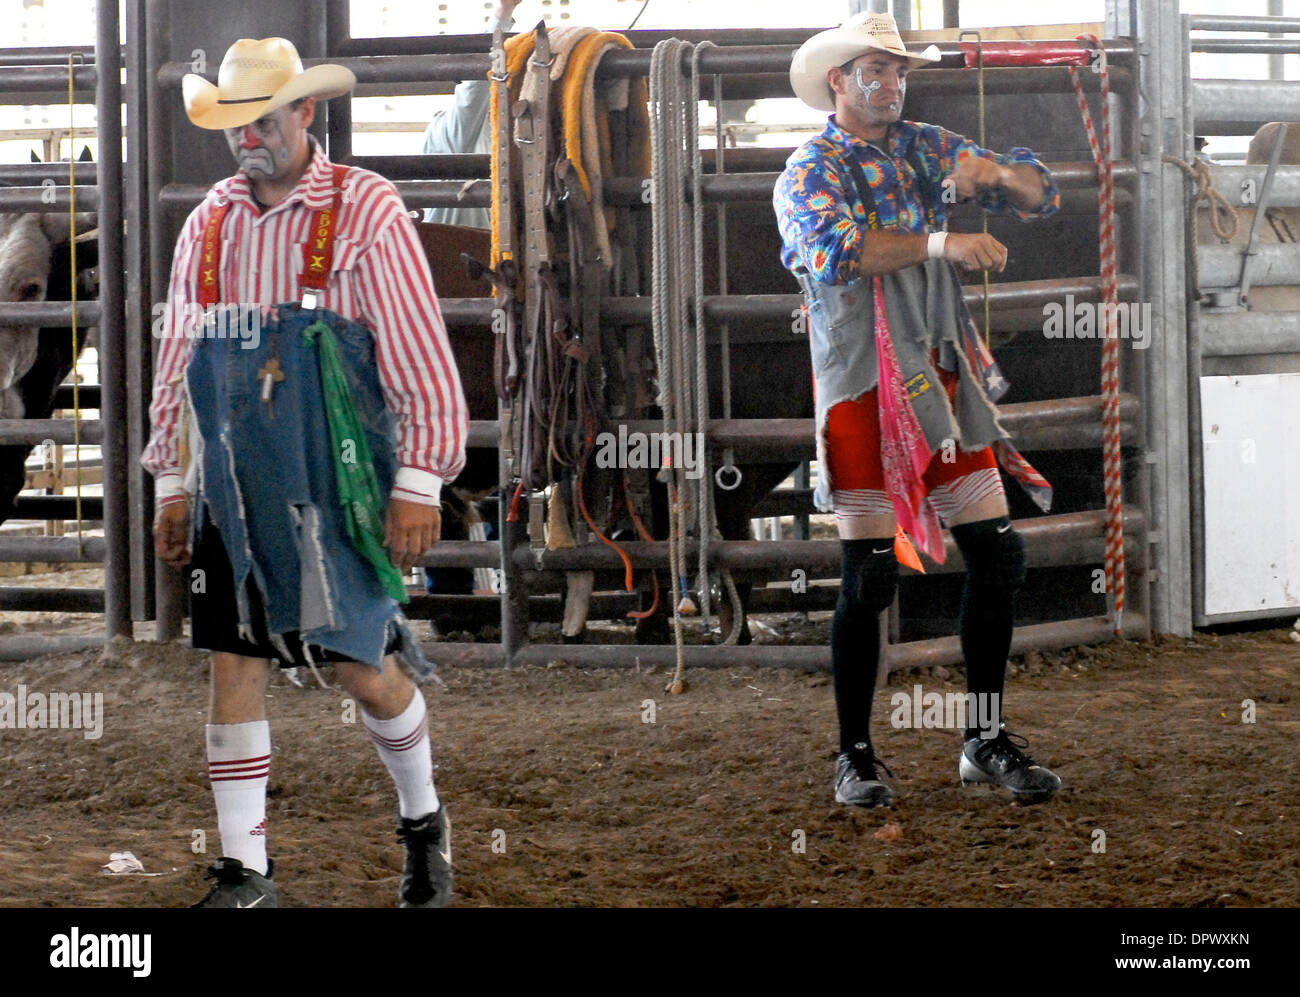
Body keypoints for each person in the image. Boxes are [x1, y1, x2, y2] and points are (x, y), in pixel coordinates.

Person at [145, 37, 468, 906]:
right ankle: (248, 872)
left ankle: (423, 819)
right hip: (233, 489)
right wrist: (172, 483)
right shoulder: (206, 223)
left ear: (305, 113)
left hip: (341, 480)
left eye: (263, 118)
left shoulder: (366, 209)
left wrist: (419, 483)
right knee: (232, 657)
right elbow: (178, 363)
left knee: (359, 664)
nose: (248, 136)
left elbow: (417, 354)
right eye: (234, 123)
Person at [774, 12, 1063, 808]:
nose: (892, 84)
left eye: (898, 71)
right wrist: (944, 243)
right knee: (868, 577)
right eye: (876, 70)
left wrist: (1006, 178)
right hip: (866, 380)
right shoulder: (808, 171)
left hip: (933, 378)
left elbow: (1035, 192)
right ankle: (856, 754)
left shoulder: (926, 147)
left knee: (999, 556)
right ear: (839, 81)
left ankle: (983, 737)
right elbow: (837, 252)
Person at [420, 0, 520, 227]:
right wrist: (504, 13)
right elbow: (476, 86)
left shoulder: (485, 128)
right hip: (458, 248)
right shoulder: (452, 127)